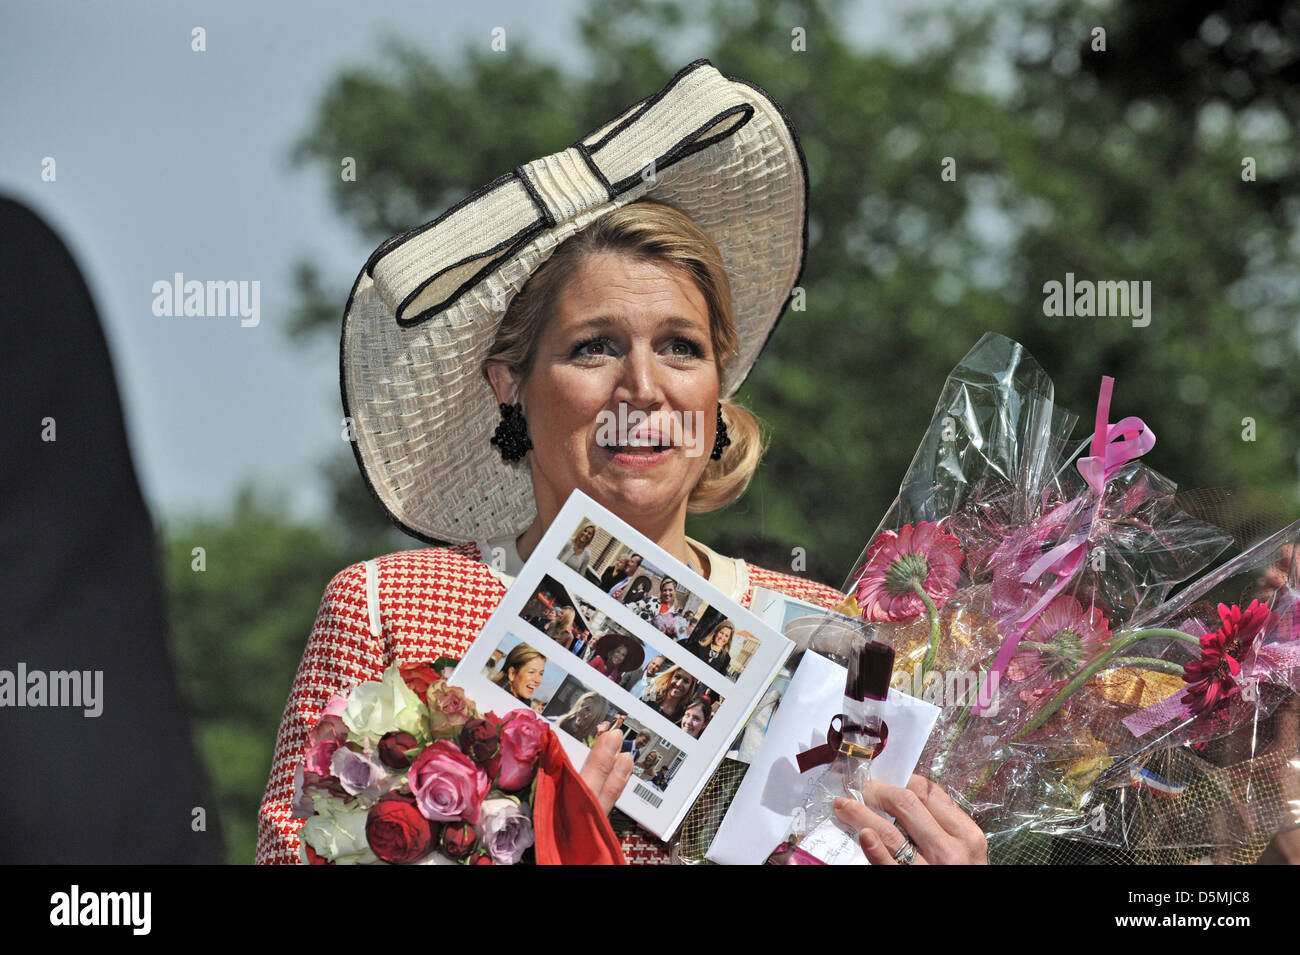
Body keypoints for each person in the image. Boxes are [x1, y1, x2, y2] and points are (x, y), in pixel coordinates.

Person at [257, 61, 986, 866]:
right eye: (593, 347)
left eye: (680, 346)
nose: (643, 387)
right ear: (511, 385)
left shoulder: (826, 632)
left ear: (716, 383)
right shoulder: (390, 605)